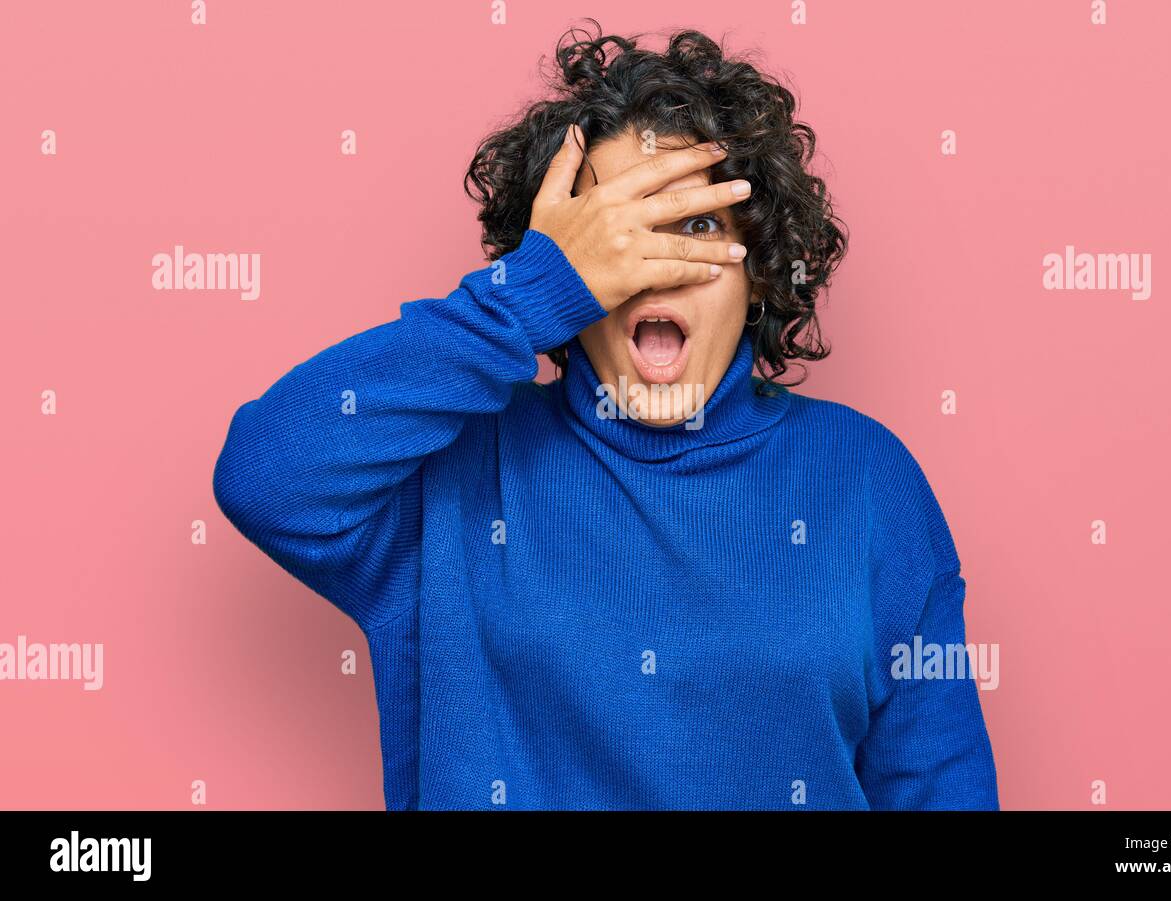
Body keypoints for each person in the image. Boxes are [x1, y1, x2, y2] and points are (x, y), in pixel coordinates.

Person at [212, 24, 999, 810]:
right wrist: (528, 294)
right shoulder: (454, 471)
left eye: (693, 226)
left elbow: (940, 786)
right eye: (615, 234)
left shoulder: (865, 478)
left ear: (757, 270)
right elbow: (266, 475)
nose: (649, 267)